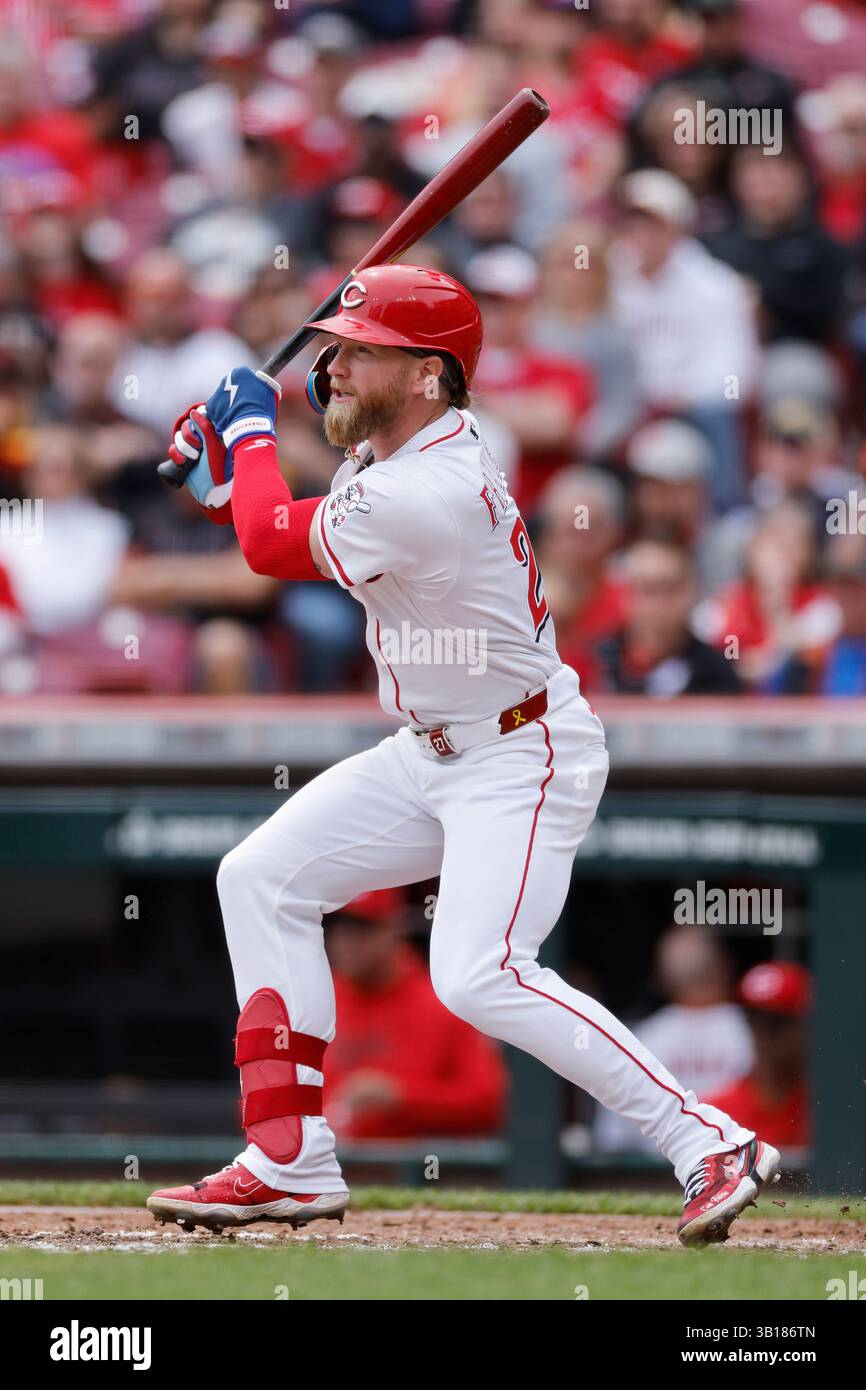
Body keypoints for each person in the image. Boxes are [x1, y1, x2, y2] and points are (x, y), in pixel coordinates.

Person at [146, 262, 779, 1245]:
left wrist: (247, 430)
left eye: (363, 352)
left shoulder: (430, 484)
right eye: (335, 347)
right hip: (428, 748)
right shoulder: (401, 447)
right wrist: (221, 472)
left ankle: (707, 1139)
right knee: (258, 876)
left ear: (430, 378)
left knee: (475, 970)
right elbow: (279, 514)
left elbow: (273, 546)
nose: (335, 364)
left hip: (518, 754)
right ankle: (286, 1157)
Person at [323, 889, 507, 1139]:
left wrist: (400, 1097)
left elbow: (490, 1102)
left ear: (395, 929)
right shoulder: (317, 996)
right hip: (324, 1165)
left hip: (416, 1171)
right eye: (338, 929)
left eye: (361, 929)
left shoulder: (442, 1002)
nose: (345, 942)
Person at [595, 925, 755, 1155]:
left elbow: (612, 1139)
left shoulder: (642, 1038)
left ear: (663, 978)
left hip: (661, 1175)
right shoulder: (755, 1031)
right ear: (726, 967)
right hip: (741, 1166)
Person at [705, 962, 812, 1151]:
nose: (763, 1034)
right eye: (754, 1020)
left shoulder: (826, 1107)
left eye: (776, 1023)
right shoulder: (717, 1112)